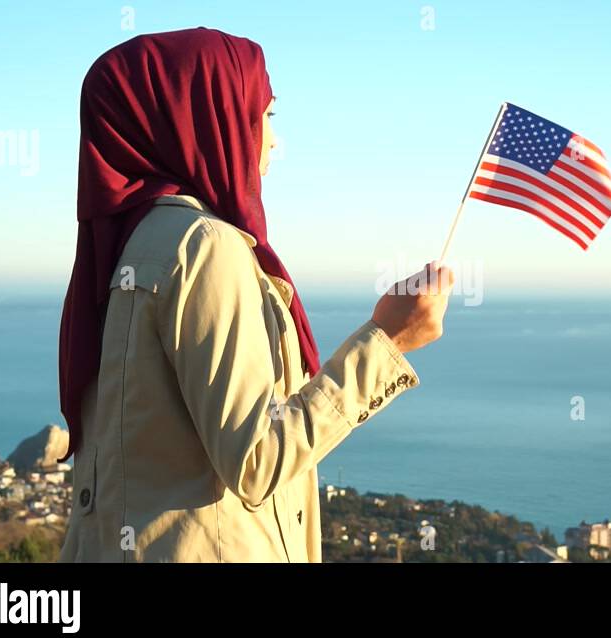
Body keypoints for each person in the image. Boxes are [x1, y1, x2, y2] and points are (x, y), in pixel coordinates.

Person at [57, 27, 453, 562]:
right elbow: (256, 460)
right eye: (266, 114)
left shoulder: (129, 247)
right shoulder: (204, 248)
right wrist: (386, 344)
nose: (274, 139)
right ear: (206, 115)